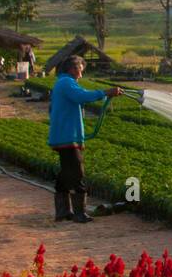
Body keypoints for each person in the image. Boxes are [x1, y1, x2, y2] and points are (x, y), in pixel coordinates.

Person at [48, 55, 122, 222]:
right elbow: (82, 96)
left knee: (66, 172)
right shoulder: (66, 83)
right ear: (72, 69)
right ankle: (79, 213)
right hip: (66, 136)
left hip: (64, 134)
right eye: (80, 71)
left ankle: (63, 212)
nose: (81, 75)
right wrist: (106, 92)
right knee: (77, 171)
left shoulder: (64, 82)